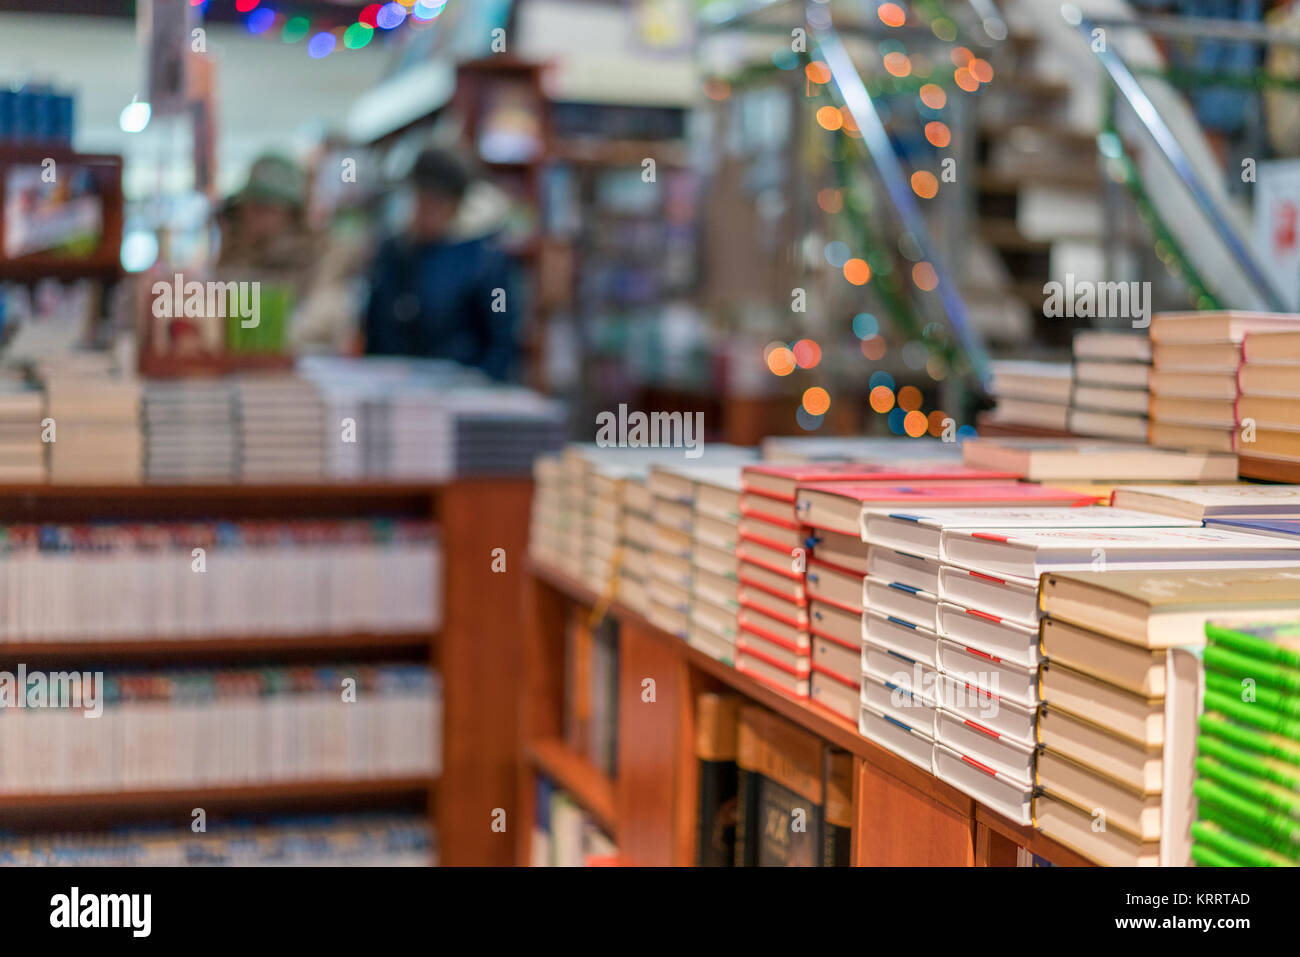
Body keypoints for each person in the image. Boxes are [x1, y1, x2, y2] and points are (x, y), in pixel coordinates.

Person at [363, 147, 518, 380]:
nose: (423, 211)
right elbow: (375, 328)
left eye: (435, 203)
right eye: (419, 200)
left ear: (454, 207)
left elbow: (502, 341)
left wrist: (480, 384)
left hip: (460, 393)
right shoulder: (392, 252)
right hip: (394, 387)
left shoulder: (486, 260)